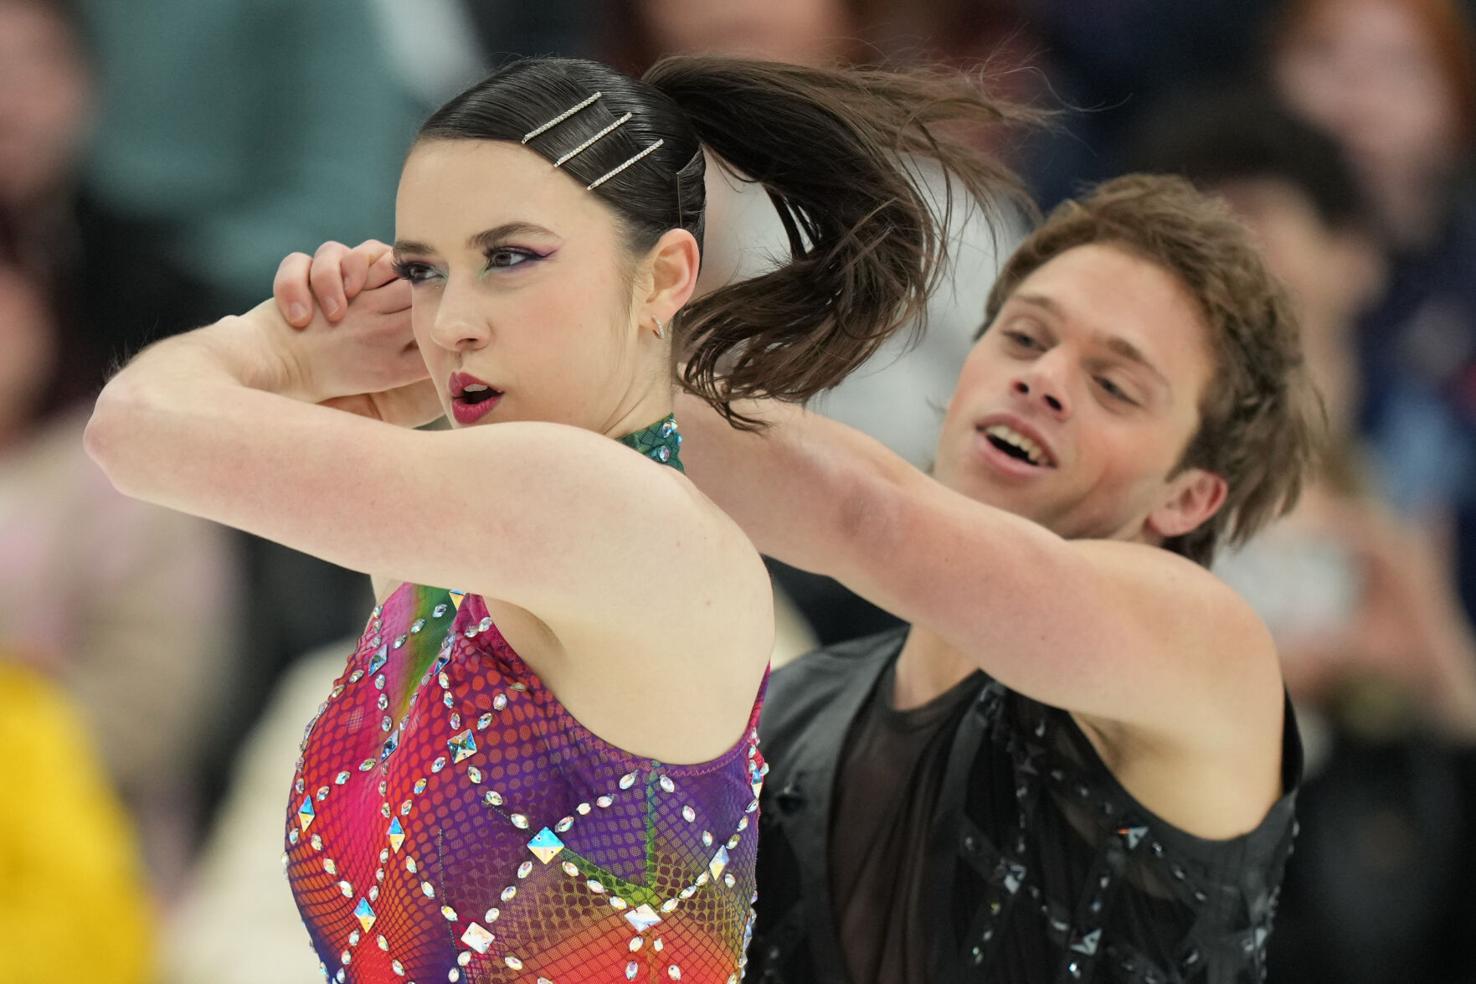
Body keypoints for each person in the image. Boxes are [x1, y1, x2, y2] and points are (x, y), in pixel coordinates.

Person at [87, 55, 1018, 983]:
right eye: (421, 271)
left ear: (662, 278)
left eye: (510, 258)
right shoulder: (461, 547)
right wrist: (345, 407)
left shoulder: (616, 512)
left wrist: (270, 352)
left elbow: (135, 431)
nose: (449, 322)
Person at [668, 175, 1321, 982]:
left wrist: (583, 373)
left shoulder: (1209, 654)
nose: (1043, 378)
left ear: (1188, 498)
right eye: (1022, 338)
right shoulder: (792, 714)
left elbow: (862, 510)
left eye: (1113, 385)